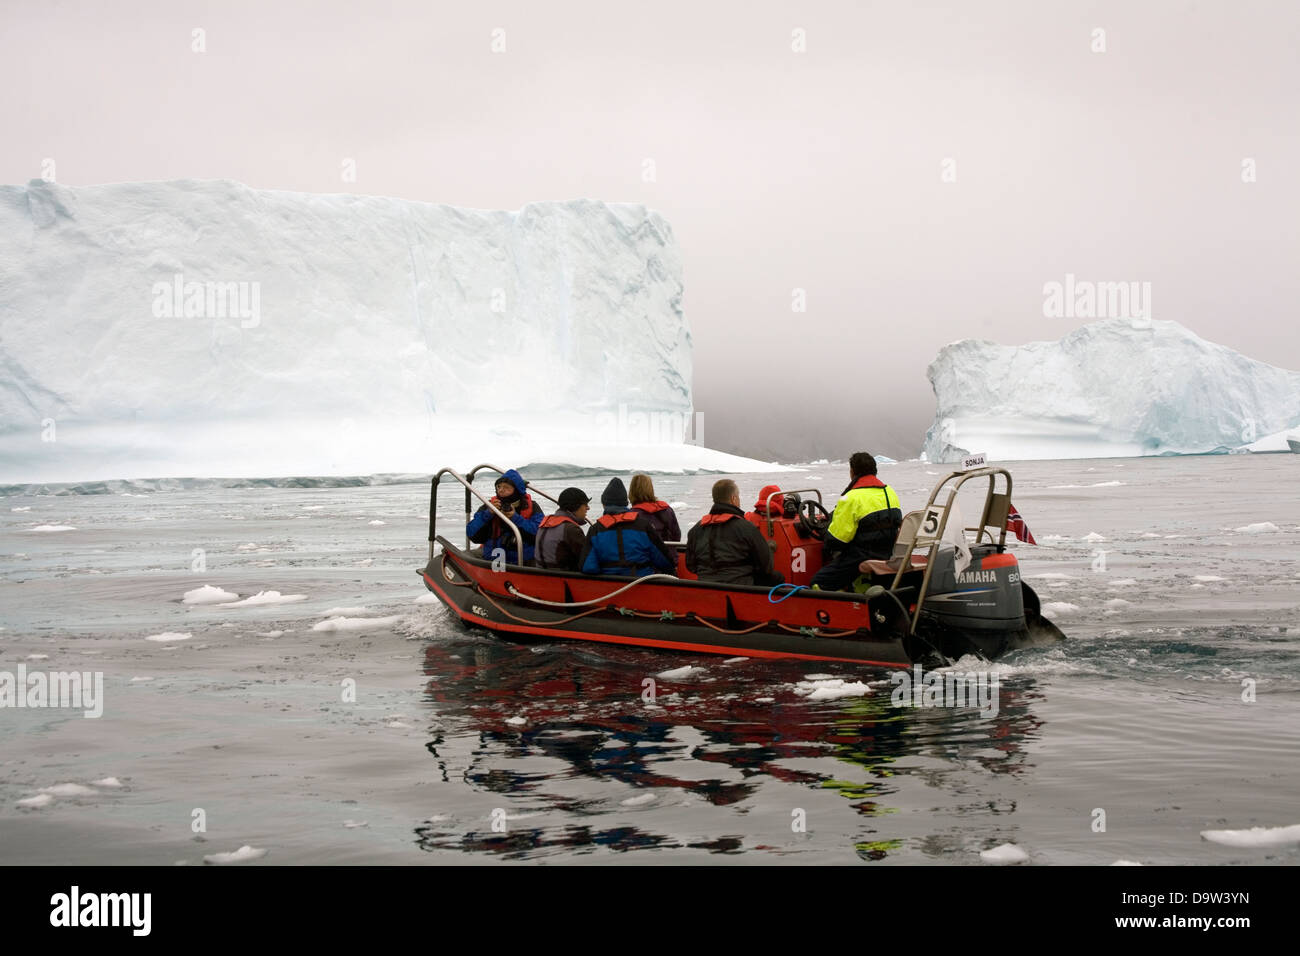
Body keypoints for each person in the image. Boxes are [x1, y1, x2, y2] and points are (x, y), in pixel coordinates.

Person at [810, 452, 902, 591]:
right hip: (888, 553)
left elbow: (837, 541)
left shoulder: (851, 498)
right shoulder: (889, 492)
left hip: (861, 556)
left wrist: (824, 532)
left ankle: (841, 609)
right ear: (875, 470)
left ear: (852, 471)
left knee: (819, 582)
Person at [686, 479, 784, 586]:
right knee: (777, 577)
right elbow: (766, 567)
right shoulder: (746, 528)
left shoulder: (696, 530)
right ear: (734, 499)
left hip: (706, 585)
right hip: (741, 587)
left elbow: (690, 565)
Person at [580, 477, 677, 577]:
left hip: (610, 584)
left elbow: (588, 567)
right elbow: (664, 561)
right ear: (625, 503)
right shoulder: (643, 526)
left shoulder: (595, 530)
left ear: (604, 505)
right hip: (643, 582)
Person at [465, 468, 545, 565]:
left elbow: (540, 534)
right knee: (464, 556)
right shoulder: (489, 506)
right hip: (493, 560)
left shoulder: (531, 506)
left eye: (506, 487)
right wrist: (488, 513)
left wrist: (516, 518)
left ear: (517, 490)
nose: (501, 490)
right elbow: (472, 534)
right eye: (499, 487)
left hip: (523, 561)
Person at [534, 487, 590, 571]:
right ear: (575, 506)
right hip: (563, 579)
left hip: (541, 575)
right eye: (585, 504)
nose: (588, 508)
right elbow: (587, 559)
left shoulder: (545, 523)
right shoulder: (571, 529)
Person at [628, 473, 682, 541]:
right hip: (667, 550)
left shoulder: (631, 515)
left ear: (632, 491)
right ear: (651, 489)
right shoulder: (667, 510)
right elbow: (676, 535)